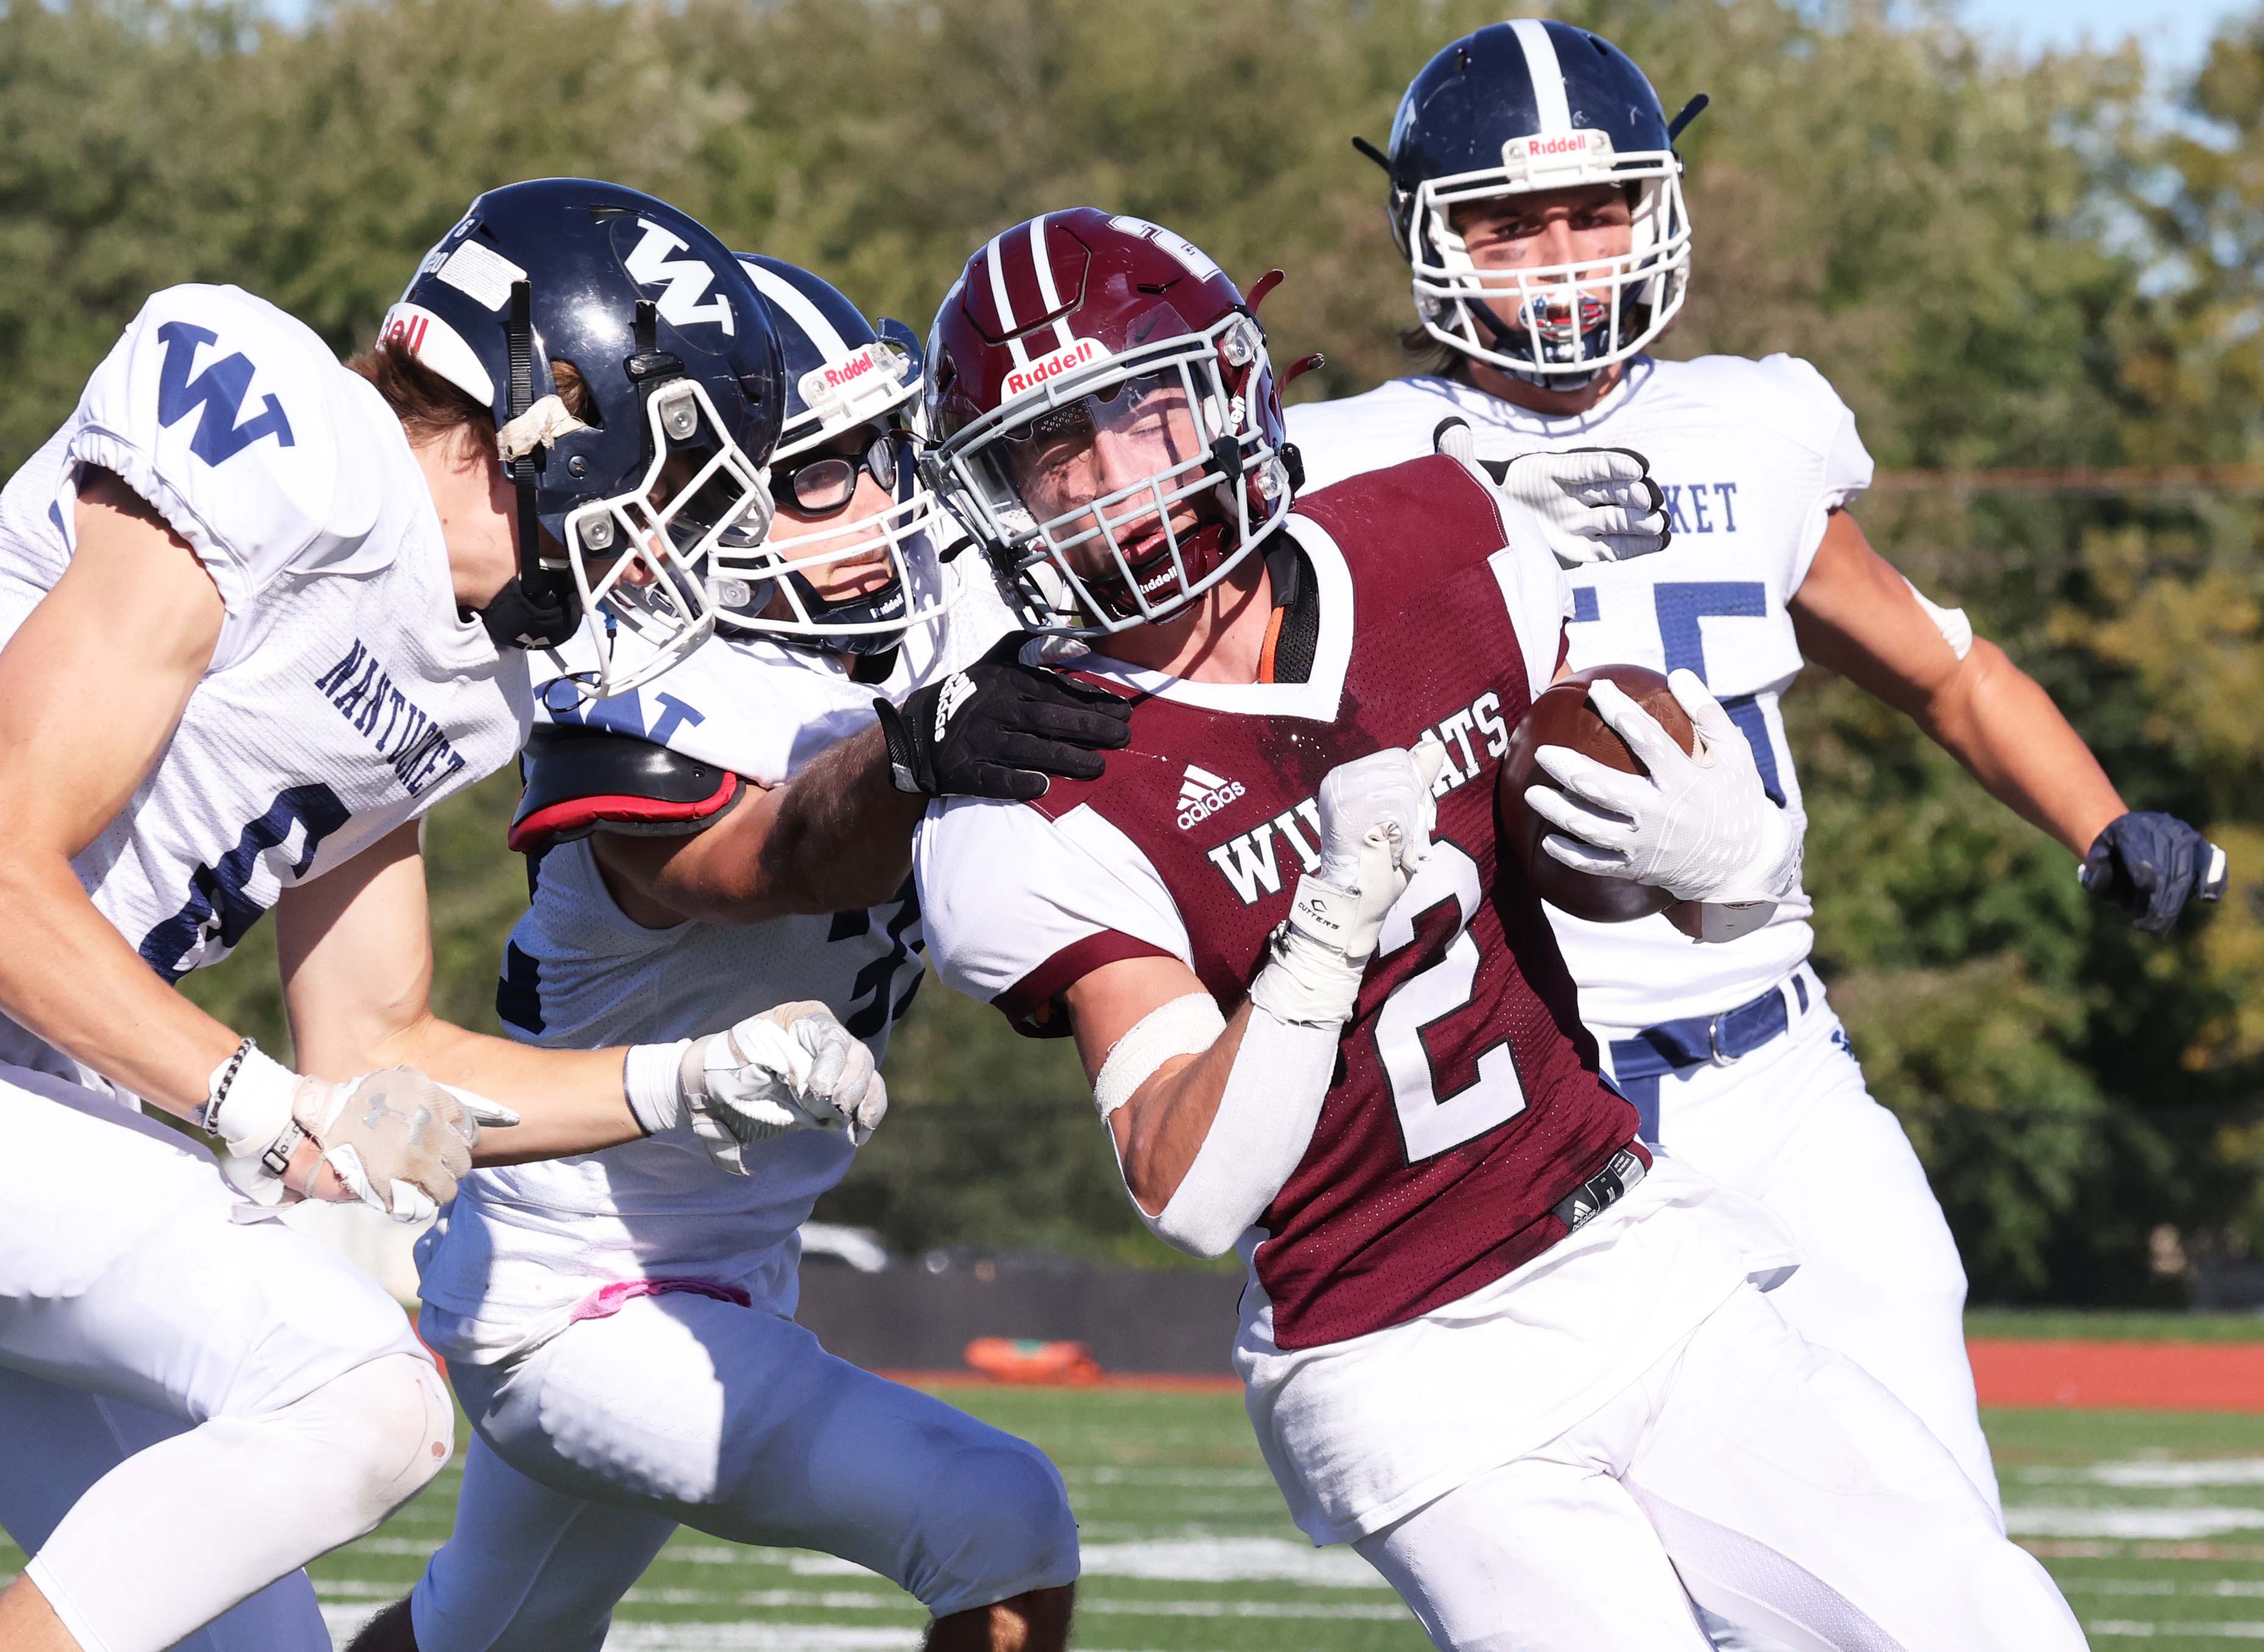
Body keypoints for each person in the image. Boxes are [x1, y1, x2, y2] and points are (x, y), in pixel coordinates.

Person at [910, 205, 2089, 1650]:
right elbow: (1194, 1186)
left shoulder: (1441, 540)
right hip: (1402, 1358)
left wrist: (1739, 851)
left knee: (1990, 1621)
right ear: (996, 495)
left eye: (1135, 413)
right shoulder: (1036, 790)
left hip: (1629, 1246)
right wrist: (1329, 918)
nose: (1108, 482)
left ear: (1225, 388)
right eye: (1052, 450)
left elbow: (1644, 813)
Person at [1287, 13, 2226, 1543]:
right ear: (1429, 239)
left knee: (1940, 1538)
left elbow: (1944, 665)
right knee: (1645, 1566)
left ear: (1661, 210)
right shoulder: (1337, 470)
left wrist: (2101, 816)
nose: (1568, 256)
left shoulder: (1758, 423)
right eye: (1512, 224)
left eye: (1599, 211)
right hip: (1528, 1098)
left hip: (1778, 1060)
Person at [0, 180, 896, 1652]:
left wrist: (682, 1079)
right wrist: (263, 1109)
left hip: (44, 1100)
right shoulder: (282, 438)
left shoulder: (465, 657)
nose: (693, 537)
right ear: (561, 408)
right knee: (361, 1387)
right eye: (690, 476)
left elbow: (374, 1045)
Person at [344, 257, 1106, 1652]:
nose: (883, 510)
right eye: (820, 476)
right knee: (1001, 1519)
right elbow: (777, 858)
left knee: (483, 1636)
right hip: (572, 1304)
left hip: (724, 1260)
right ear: (690, 494)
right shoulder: (620, 687)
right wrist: (916, 755)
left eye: (884, 454)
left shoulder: (937, 612)